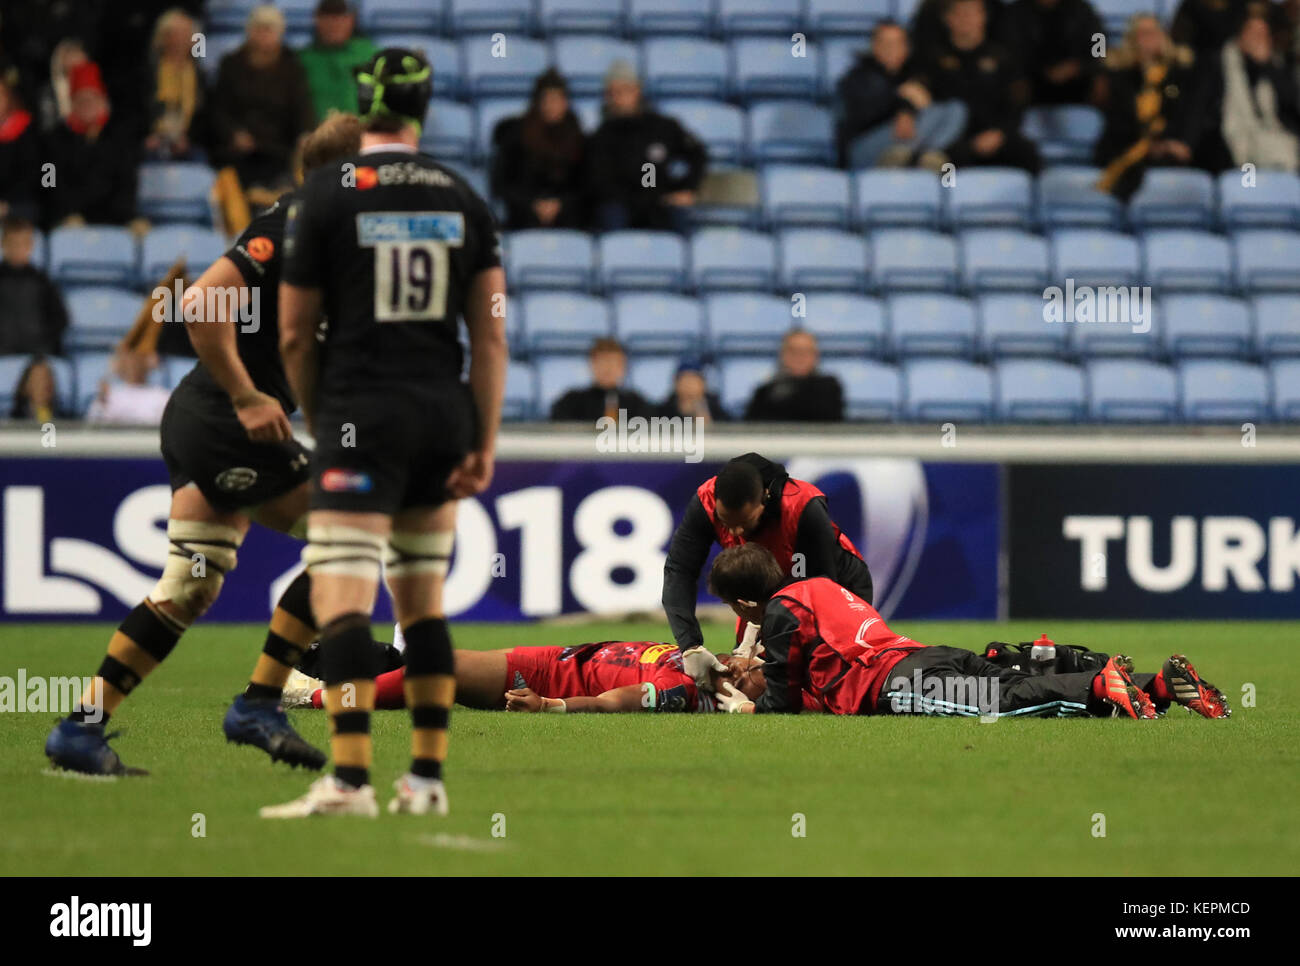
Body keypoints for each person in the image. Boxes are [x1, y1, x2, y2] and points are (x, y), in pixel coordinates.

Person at [43, 112, 366, 779]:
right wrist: (249, 397)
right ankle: (259, 703)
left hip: (200, 417)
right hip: (221, 417)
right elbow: (201, 303)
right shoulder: (296, 221)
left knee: (189, 585)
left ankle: (80, 730)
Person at [262, 46, 507, 819]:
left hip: (360, 415)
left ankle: (350, 781)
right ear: (424, 107)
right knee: (423, 607)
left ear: (364, 102)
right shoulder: (463, 195)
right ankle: (427, 781)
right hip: (442, 416)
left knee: (342, 603)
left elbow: (295, 334)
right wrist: (484, 438)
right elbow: (491, 337)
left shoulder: (328, 195)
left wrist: (317, 412)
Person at [707, 544, 1231, 721]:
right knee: (1010, 673)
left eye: (734, 605)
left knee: (1001, 701)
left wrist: (741, 704)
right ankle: (1157, 685)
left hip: (899, 682)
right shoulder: (818, 586)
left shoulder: (779, 614)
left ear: (747, 599)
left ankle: (1100, 686)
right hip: (924, 653)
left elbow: (782, 697)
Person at [662, 452, 874, 686]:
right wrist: (690, 646)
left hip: (839, 587)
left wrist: (771, 636)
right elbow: (679, 570)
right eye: (726, 523)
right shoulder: (706, 501)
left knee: (826, 678)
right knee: (746, 677)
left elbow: (816, 590)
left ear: (766, 498)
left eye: (745, 522)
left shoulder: (803, 506)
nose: (735, 534)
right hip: (768, 592)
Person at [284, 640, 766, 714]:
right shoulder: (696, 657)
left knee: (438, 672)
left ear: (730, 698)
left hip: (543, 680)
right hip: (552, 657)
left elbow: (611, 702)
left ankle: (313, 697)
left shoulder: (680, 689)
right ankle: (317, 666)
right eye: (749, 663)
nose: (741, 666)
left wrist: (548, 706)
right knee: (412, 661)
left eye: (743, 678)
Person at [911, 0, 1041, 173]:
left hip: (995, 135)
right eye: (961, 13)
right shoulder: (933, 59)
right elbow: (921, 99)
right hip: (953, 139)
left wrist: (1000, 133)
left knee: (1027, 154)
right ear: (948, 18)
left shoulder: (1002, 58)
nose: (967, 19)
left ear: (984, 17)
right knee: (940, 159)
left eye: (973, 13)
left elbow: (1016, 105)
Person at [1095, 14, 1209, 198]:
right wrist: (1151, 147)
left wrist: (1176, 144)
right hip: (1127, 150)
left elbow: (1190, 114)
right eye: (1142, 34)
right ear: (1131, 40)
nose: (1149, 39)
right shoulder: (1120, 77)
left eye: (1154, 32)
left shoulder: (1181, 74)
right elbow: (1119, 123)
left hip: (1170, 150)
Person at [586, 60, 706, 232]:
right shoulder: (600, 137)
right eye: (613, 93)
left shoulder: (664, 127)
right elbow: (599, 183)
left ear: (637, 91)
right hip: (621, 207)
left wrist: (687, 188)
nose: (618, 98)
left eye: (624, 91)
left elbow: (697, 154)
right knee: (610, 216)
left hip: (660, 202)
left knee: (680, 216)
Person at [209, 4, 315, 191]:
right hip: (237, 152)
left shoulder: (292, 67)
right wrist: (234, 134)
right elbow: (218, 109)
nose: (264, 35)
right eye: (259, 29)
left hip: (278, 150)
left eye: (270, 29)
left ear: (280, 33)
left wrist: (304, 137)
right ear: (249, 31)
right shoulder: (231, 64)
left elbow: (302, 109)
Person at [835, 21, 967, 168]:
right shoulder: (857, 77)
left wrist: (908, 108)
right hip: (864, 150)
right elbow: (865, 115)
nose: (891, 49)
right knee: (925, 118)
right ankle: (908, 157)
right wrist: (903, 104)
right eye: (885, 43)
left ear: (907, 48)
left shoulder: (915, 74)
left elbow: (937, 98)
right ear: (874, 47)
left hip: (908, 141)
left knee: (955, 109)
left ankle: (926, 156)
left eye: (898, 43)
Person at [44, 60, 142, 229]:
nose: (87, 106)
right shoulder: (55, 139)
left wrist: (121, 216)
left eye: (92, 99)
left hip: (113, 219)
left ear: (102, 102)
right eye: (82, 100)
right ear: (72, 104)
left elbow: (127, 182)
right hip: (68, 219)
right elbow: (49, 181)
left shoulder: (118, 138)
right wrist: (67, 213)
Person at [490, 68, 586, 229]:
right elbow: (503, 183)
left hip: (570, 217)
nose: (552, 106)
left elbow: (586, 185)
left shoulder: (578, 137)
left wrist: (561, 205)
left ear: (566, 102)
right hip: (523, 215)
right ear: (538, 102)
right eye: (547, 100)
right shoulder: (515, 136)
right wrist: (532, 205)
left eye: (557, 100)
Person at [1215, 10, 1300, 173]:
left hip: (1280, 144)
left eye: (1262, 34)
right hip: (1228, 147)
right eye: (1252, 33)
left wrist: (1267, 66)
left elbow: (1292, 105)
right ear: (1240, 37)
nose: (1257, 39)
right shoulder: (1220, 64)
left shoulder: (1277, 67)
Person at [995, 0, 1107, 105]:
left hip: (1077, 81)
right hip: (1032, 83)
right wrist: (1019, 76)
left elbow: (1099, 39)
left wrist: (1089, 68)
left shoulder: (1081, 9)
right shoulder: (1015, 13)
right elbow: (1008, 51)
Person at [143, 7, 208, 161]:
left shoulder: (199, 75)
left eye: (186, 34)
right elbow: (138, 109)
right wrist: (150, 135)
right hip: (152, 137)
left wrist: (188, 138)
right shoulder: (148, 72)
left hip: (188, 139)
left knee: (200, 158)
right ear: (163, 38)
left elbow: (204, 114)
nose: (180, 40)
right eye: (174, 34)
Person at [297, 0, 376, 122]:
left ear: (351, 20)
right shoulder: (302, 60)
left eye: (340, 18)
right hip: (317, 135)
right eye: (328, 19)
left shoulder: (369, 54)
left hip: (363, 132)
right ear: (317, 20)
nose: (334, 25)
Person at [0, 217, 68, 356]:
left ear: (31, 245)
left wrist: (43, 342)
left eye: (24, 243)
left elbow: (60, 319)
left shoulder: (42, 280)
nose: (18, 249)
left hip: (37, 353)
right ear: (3, 244)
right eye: (13, 243)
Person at [744, 330, 844, 422]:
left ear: (816, 356)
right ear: (782, 355)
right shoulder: (764, 392)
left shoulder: (829, 387)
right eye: (793, 350)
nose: (800, 356)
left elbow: (825, 415)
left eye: (806, 350)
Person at [549, 337, 655, 421]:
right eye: (603, 362)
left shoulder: (637, 404)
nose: (608, 369)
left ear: (623, 367)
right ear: (592, 364)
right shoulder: (571, 402)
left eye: (614, 363)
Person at [84, 349, 171, 425]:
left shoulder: (162, 396)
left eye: (139, 358)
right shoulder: (110, 396)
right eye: (129, 358)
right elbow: (94, 429)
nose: (133, 364)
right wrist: (102, 402)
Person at [0, 70, 41, 222]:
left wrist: (7, 203)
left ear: (8, 97)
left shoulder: (25, 128)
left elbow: (36, 172)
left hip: (20, 202)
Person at [657, 359, 726, 422]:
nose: (689, 386)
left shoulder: (716, 410)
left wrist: (702, 411)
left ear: (703, 384)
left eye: (693, 381)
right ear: (676, 383)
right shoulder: (663, 411)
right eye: (684, 380)